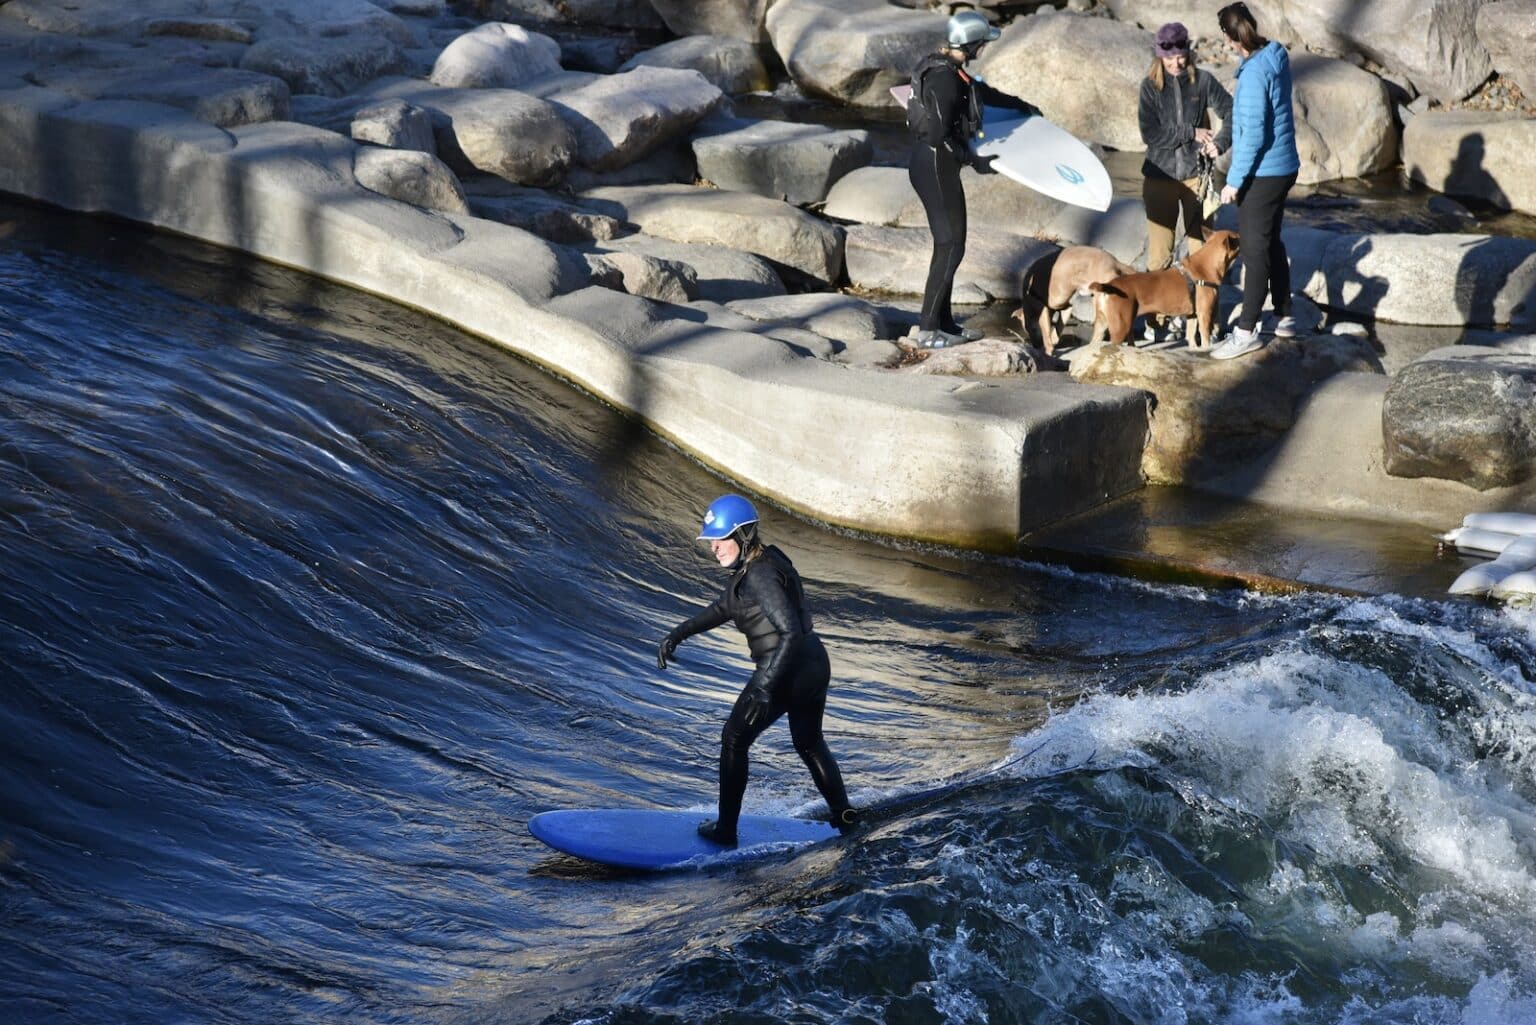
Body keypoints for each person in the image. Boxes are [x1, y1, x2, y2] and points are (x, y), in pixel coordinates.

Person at [656, 494, 857, 847]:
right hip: (813, 663)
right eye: (712, 540)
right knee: (809, 742)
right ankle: (845, 816)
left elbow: (789, 632)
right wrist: (679, 633)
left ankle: (725, 831)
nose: (714, 547)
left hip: (785, 668)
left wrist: (765, 686)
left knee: (734, 739)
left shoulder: (759, 575)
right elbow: (724, 607)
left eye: (721, 539)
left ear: (743, 535)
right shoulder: (764, 563)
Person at [907, 10, 1036, 349]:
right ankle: (928, 330)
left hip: (936, 164)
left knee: (950, 244)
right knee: (951, 245)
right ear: (970, 44)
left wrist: (1024, 107)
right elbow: (939, 135)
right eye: (981, 43)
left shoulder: (948, 69)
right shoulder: (944, 79)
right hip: (934, 165)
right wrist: (974, 159)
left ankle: (945, 323)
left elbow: (982, 94)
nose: (983, 48)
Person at [1211, 1, 1300, 360]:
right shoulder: (1274, 56)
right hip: (1285, 167)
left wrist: (1233, 181)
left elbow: (1252, 135)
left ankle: (1247, 330)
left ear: (1230, 37)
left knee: (1253, 249)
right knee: (1270, 240)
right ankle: (1284, 314)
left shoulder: (1251, 76)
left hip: (1264, 172)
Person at [1138, 21, 1232, 343]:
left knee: (1204, 254)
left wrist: (1220, 142)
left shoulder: (1203, 81)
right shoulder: (1149, 87)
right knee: (1159, 256)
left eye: (1181, 56)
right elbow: (1150, 134)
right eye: (1169, 58)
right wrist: (1190, 133)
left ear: (1188, 53)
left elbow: (1231, 111)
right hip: (1159, 177)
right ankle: (1157, 323)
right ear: (1159, 56)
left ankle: (1203, 327)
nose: (1176, 63)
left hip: (1197, 178)